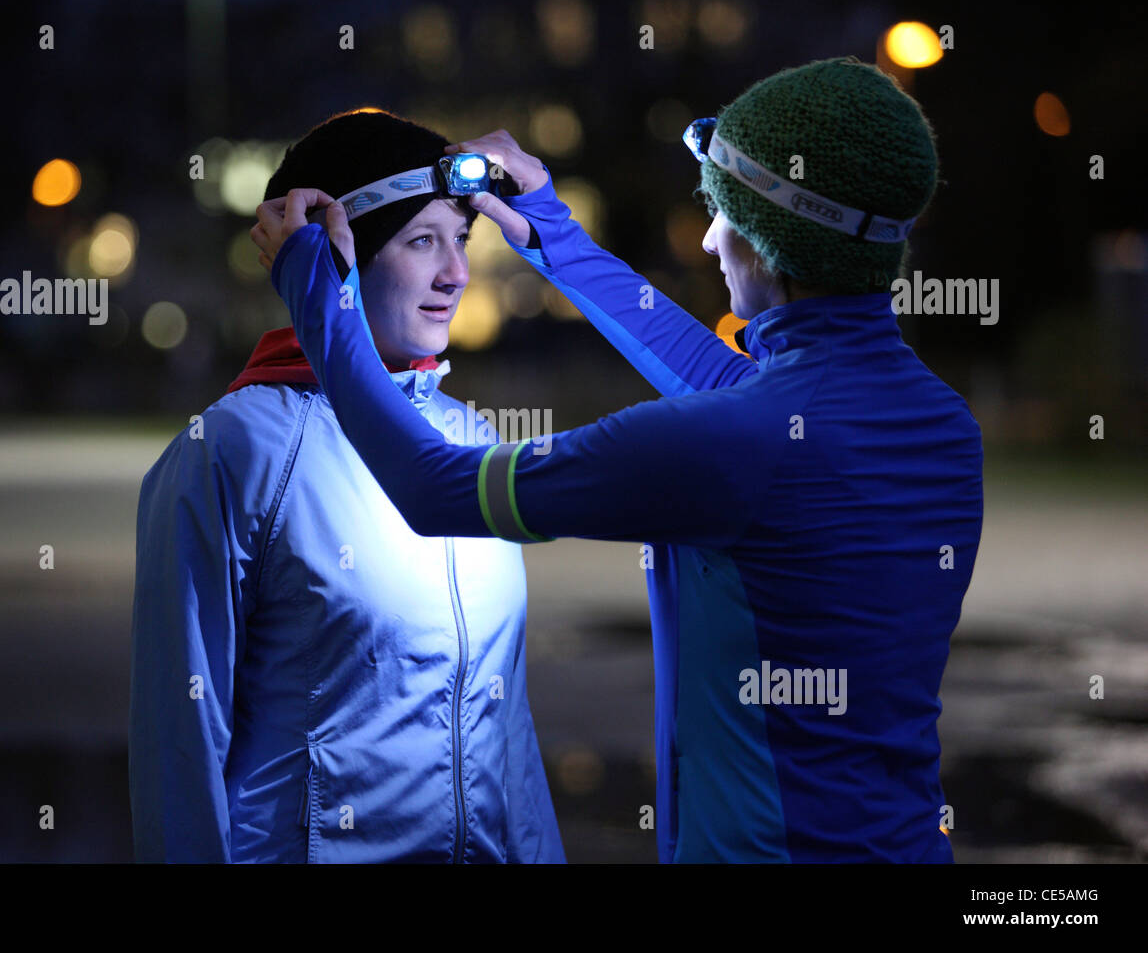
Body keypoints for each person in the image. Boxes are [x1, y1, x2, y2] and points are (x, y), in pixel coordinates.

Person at [252, 59, 984, 862]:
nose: (708, 239)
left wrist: (321, 302)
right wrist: (551, 234)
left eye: (723, 214)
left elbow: (438, 489)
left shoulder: (733, 442)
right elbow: (734, 383)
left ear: (769, 247)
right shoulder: (942, 424)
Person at [129, 109, 564, 863]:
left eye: (461, 239)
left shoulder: (471, 440)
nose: (456, 273)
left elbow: (509, 733)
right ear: (341, 253)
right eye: (422, 240)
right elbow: (180, 742)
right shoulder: (233, 449)